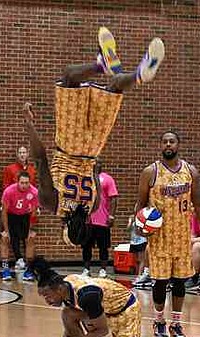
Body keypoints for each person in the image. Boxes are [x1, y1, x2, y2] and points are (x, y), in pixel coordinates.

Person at [23, 27, 165, 245]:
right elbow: (40, 158)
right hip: (70, 145)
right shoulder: (52, 202)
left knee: (114, 88)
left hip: (94, 148)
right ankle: (101, 65)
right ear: (65, 229)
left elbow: (97, 169)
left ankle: (138, 76)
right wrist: (29, 125)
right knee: (69, 78)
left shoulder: (94, 205)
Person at [31, 257, 177, 337]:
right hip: (103, 310)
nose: (47, 301)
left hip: (125, 311)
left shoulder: (87, 296)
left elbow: (102, 331)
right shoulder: (65, 286)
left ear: (59, 289)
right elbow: (71, 319)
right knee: (67, 314)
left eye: (47, 296)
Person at [137, 130, 200, 337]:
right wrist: (140, 228)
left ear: (178, 145)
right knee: (160, 282)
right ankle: (159, 321)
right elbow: (140, 205)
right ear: (160, 146)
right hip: (159, 236)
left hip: (181, 236)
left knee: (179, 282)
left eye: (172, 141)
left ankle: (176, 324)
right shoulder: (150, 172)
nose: (168, 145)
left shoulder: (191, 171)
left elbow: (199, 204)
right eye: (165, 142)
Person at [0, 171, 39, 281]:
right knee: (5, 238)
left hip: (25, 216)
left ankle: (29, 270)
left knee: (30, 239)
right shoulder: (9, 191)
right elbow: (4, 211)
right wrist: (7, 230)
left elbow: (34, 212)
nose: (24, 185)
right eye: (22, 183)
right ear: (17, 182)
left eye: (26, 183)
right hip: (11, 216)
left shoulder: (34, 192)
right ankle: (5, 269)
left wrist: (30, 229)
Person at [82, 160, 118, 277]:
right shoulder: (86, 179)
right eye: (93, 164)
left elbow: (113, 198)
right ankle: (86, 269)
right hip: (88, 220)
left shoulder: (107, 179)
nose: (95, 166)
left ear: (101, 165)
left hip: (102, 219)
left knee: (103, 246)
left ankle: (103, 270)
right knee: (86, 245)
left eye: (98, 164)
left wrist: (111, 215)